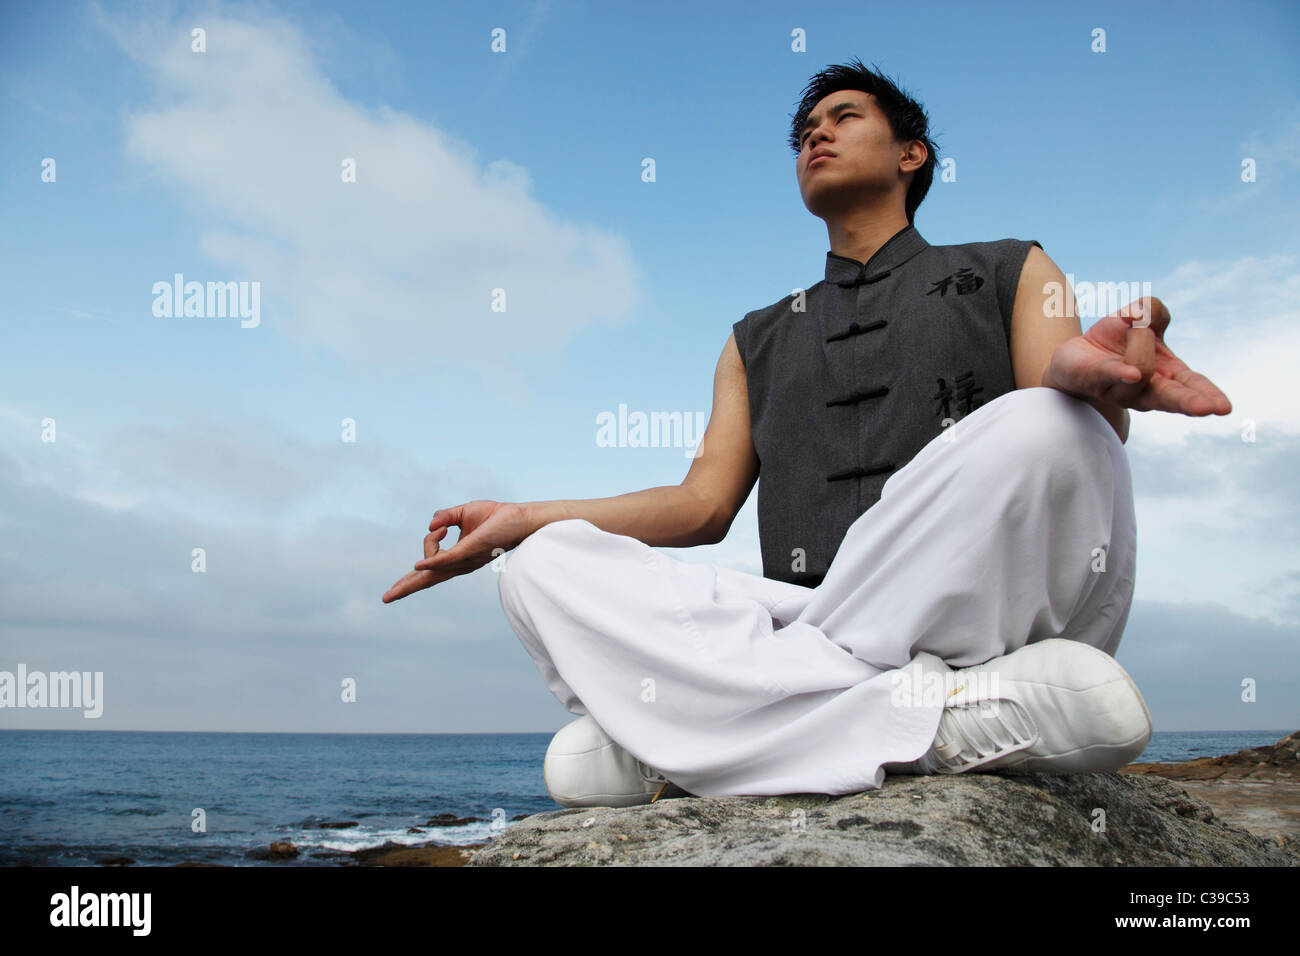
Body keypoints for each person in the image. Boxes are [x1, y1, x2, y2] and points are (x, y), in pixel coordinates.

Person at [382, 59, 1232, 807]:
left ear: (912, 155)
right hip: (813, 618)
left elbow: (1065, 409)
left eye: (843, 118)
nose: (816, 136)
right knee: (542, 568)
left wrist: (1099, 378)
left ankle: (698, 737)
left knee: (1051, 421)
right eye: (804, 132)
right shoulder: (756, 333)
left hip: (974, 604)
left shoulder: (1013, 267)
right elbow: (700, 505)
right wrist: (522, 521)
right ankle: (934, 721)